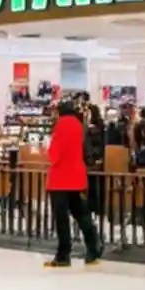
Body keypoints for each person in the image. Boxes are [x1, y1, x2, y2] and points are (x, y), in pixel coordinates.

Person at [44, 98, 101, 268]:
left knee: (62, 219)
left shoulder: (60, 126)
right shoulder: (79, 125)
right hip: (77, 178)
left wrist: (49, 148)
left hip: (60, 180)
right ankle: (93, 248)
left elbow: (54, 155)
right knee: (82, 215)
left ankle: (63, 255)